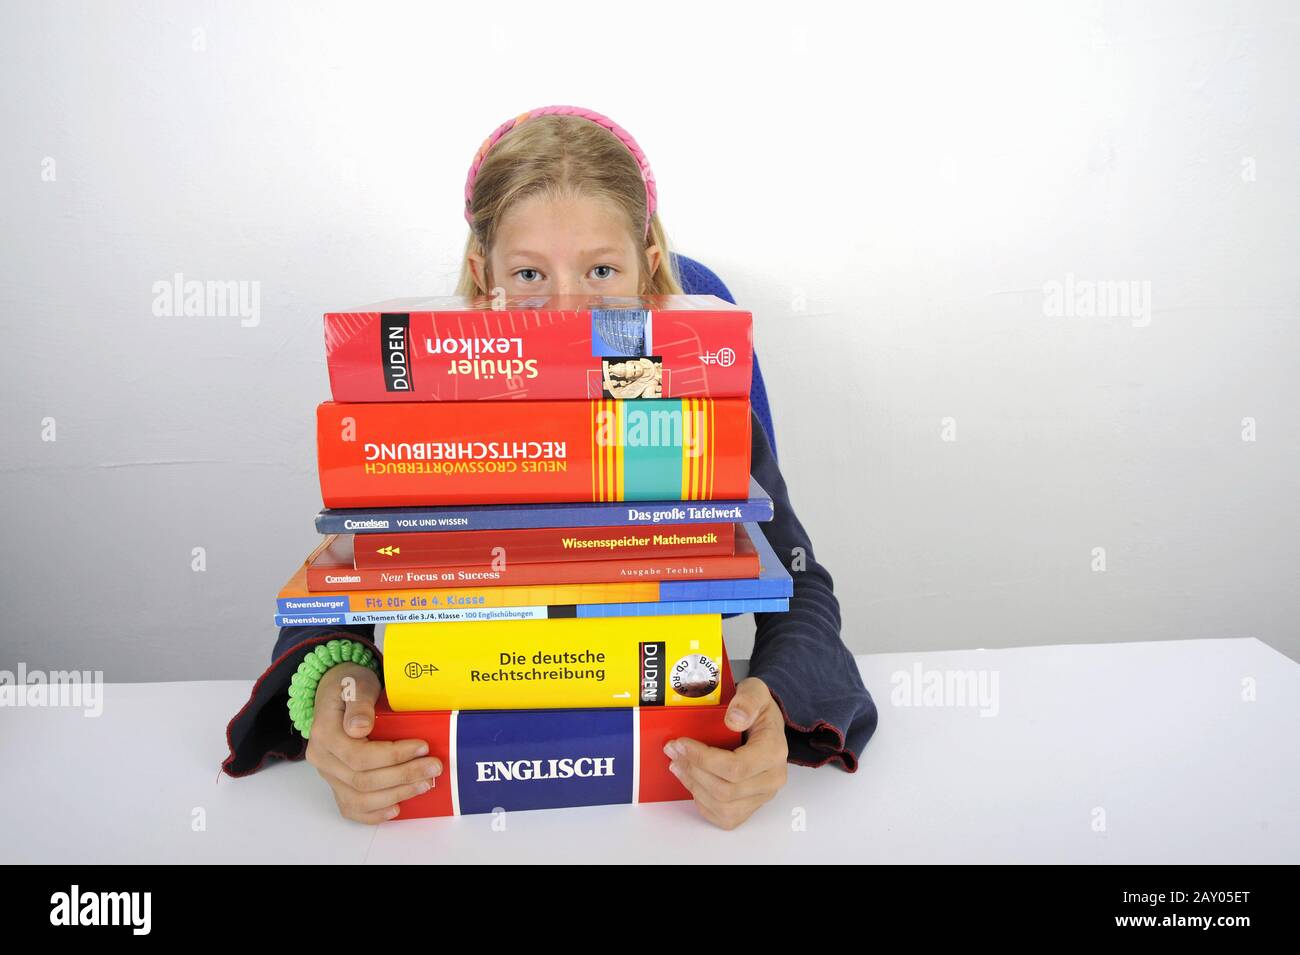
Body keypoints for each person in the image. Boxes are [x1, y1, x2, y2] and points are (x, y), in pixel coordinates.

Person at [222, 105, 878, 830]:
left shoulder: (694, 396)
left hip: (663, 744)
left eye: (602, 269)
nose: (567, 314)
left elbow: (798, 581)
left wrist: (774, 710)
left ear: (649, 272)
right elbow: (347, 576)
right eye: (530, 273)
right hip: (461, 759)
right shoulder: (430, 413)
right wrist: (336, 687)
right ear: (483, 279)